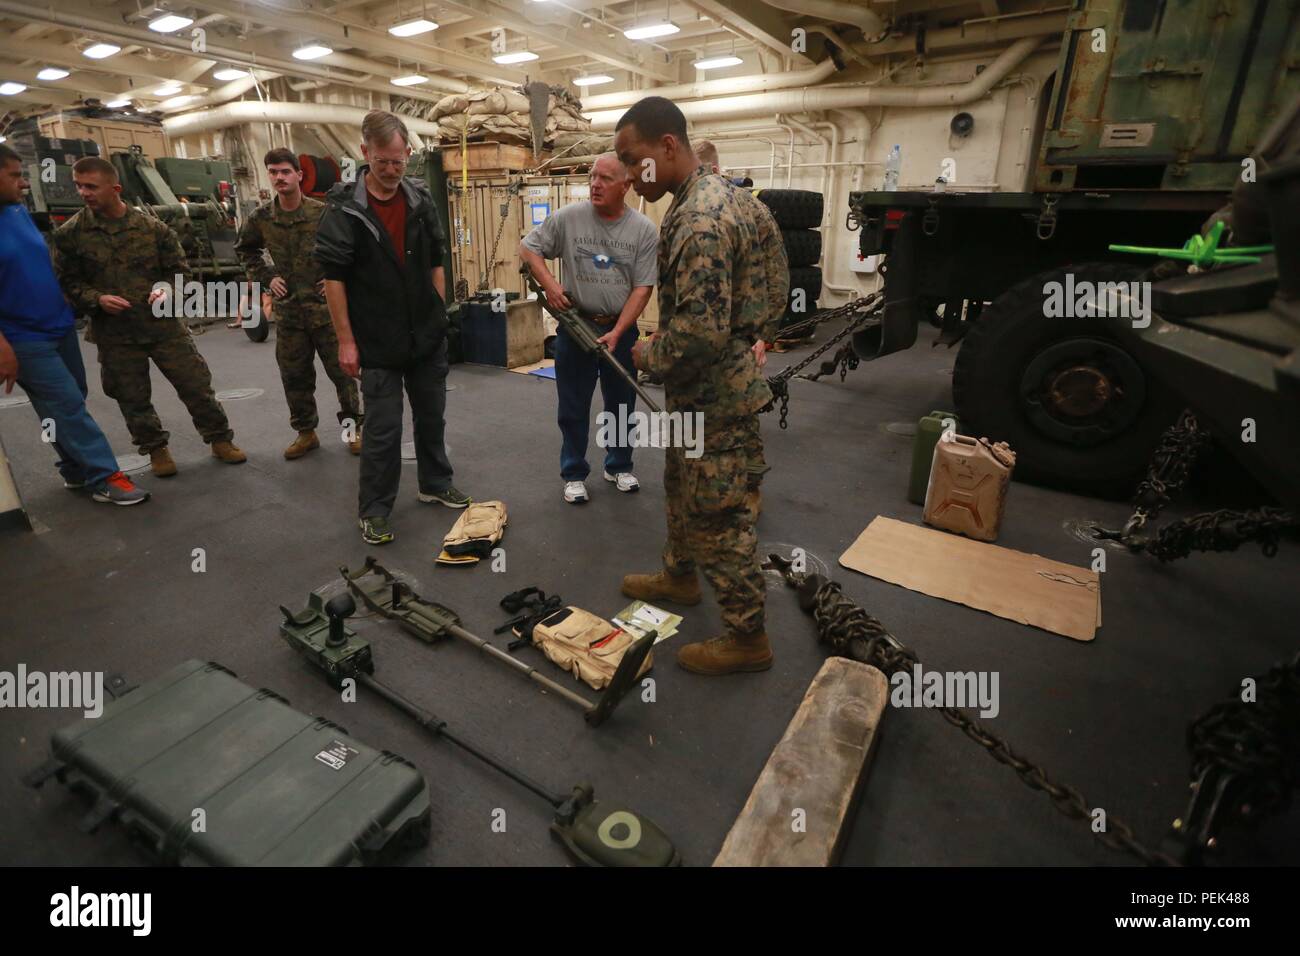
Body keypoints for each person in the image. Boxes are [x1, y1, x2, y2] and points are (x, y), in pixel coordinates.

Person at [614, 96, 788, 676]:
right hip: (709, 388)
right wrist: (756, 334)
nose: (628, 175)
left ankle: (747, 636)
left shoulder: (697, 220)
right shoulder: (735, 199)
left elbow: (699, 336)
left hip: (712, 392)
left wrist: (646, 353)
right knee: (679, 483)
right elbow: (776, 280)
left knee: (719, 512)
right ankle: (680, 575)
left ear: (667, 147)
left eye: (632, 159)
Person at [315, 110, 470, 546]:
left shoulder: (419, 200)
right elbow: (334, 280)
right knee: (383, 430)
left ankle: (435, 483)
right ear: (365, 153)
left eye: (398, 161)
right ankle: (375, 509)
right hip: (376, 340)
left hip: (425, 333)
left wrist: (438, 313)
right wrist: (346, 341)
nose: (391, 170)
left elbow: (438, 259)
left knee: (432, 417)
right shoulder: (345, 209)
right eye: (382, 161)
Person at [52, 157, 245, 478]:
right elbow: (67, 283)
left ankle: (219, 439)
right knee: (131, 396)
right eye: (79, 186)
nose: (83, 193)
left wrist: (168, 291)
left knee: (195, 385)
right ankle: (155, 449)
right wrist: (96, 298)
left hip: (163, 325)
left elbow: (179, 273)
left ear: (115, 189)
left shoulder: (153, 229)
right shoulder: (70, 235)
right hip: (115, 332)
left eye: (91, 186)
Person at [0, 145, 148, 505]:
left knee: (69, 397)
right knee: (67, 405)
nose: (22, 183)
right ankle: (105, 476)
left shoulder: (16, 212)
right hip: (23, 336)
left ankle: (73, 468)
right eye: (14, 176)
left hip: (58, 325)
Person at [519, 153, 657, 504]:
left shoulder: (643, 230)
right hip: (576, 327)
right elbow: (528, 248)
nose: (595, 184)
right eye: (593, 176)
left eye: (605, 178)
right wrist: (550, 283)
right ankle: (574, 472)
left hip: (621, 329)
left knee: (622, 403)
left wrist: (618, 331)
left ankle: (618, 464)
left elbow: (643, 287)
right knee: (573, 403)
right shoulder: (568, 218)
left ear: (625, 185)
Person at [236, 148, 362, 460]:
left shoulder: (323, 213)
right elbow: (245, 249)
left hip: (326, 312)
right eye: (274, 172)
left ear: (299, 175)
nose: (280, 177)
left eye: (285, 172)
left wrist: (336, 279)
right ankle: (306, 433)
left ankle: (352, 431)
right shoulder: (261, 218)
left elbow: (352, 249)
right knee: (294, 376)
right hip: (289, 313)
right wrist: (267, 277)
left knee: (343, 376)